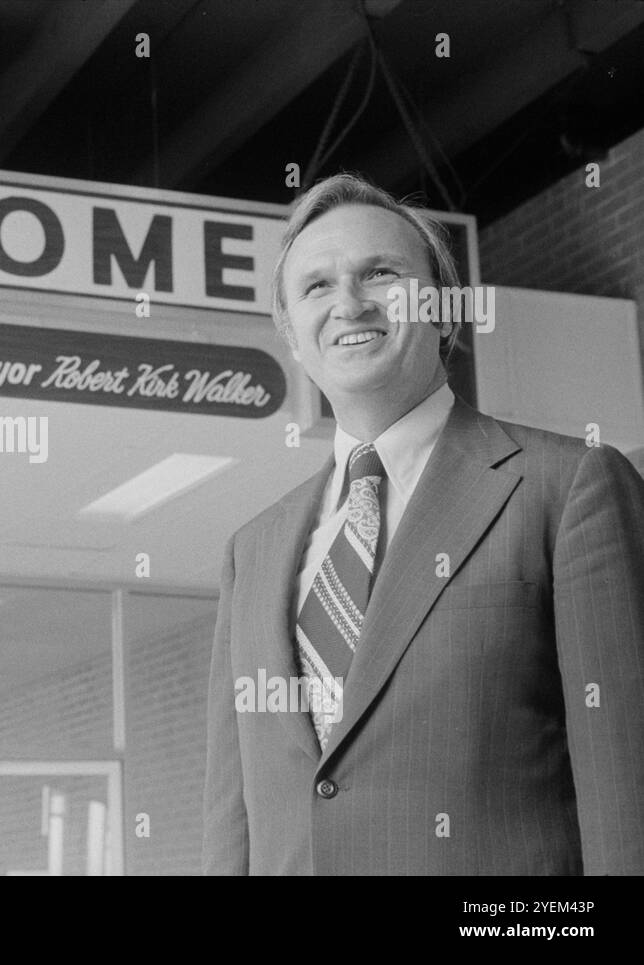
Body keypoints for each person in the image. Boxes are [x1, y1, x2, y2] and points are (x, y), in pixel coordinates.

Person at [203, 172, 644, 875]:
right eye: (316, 286)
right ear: (292, 335)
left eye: (380, 273)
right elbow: (234, 821)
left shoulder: (568, 488)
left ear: (443, 310)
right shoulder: (250, 552)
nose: (348, 303)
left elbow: (629, 794)